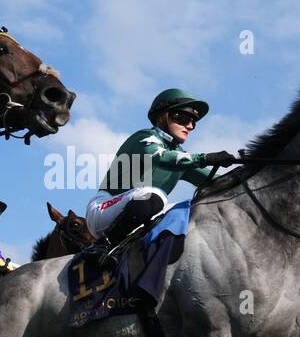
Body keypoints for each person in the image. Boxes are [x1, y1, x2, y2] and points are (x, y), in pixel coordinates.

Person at [86, 89, 236, 249]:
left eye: (193, 122)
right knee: (154, 195)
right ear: (162, 116)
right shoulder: (143, 137)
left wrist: (253, 172)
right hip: (103, 209)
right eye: (184, 118)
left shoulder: (180, 158)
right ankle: (102, 246)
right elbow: (159, 156)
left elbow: (220, 182)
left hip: (139, 208)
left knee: (188, 209)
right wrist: (206, 158)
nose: (190, 126)